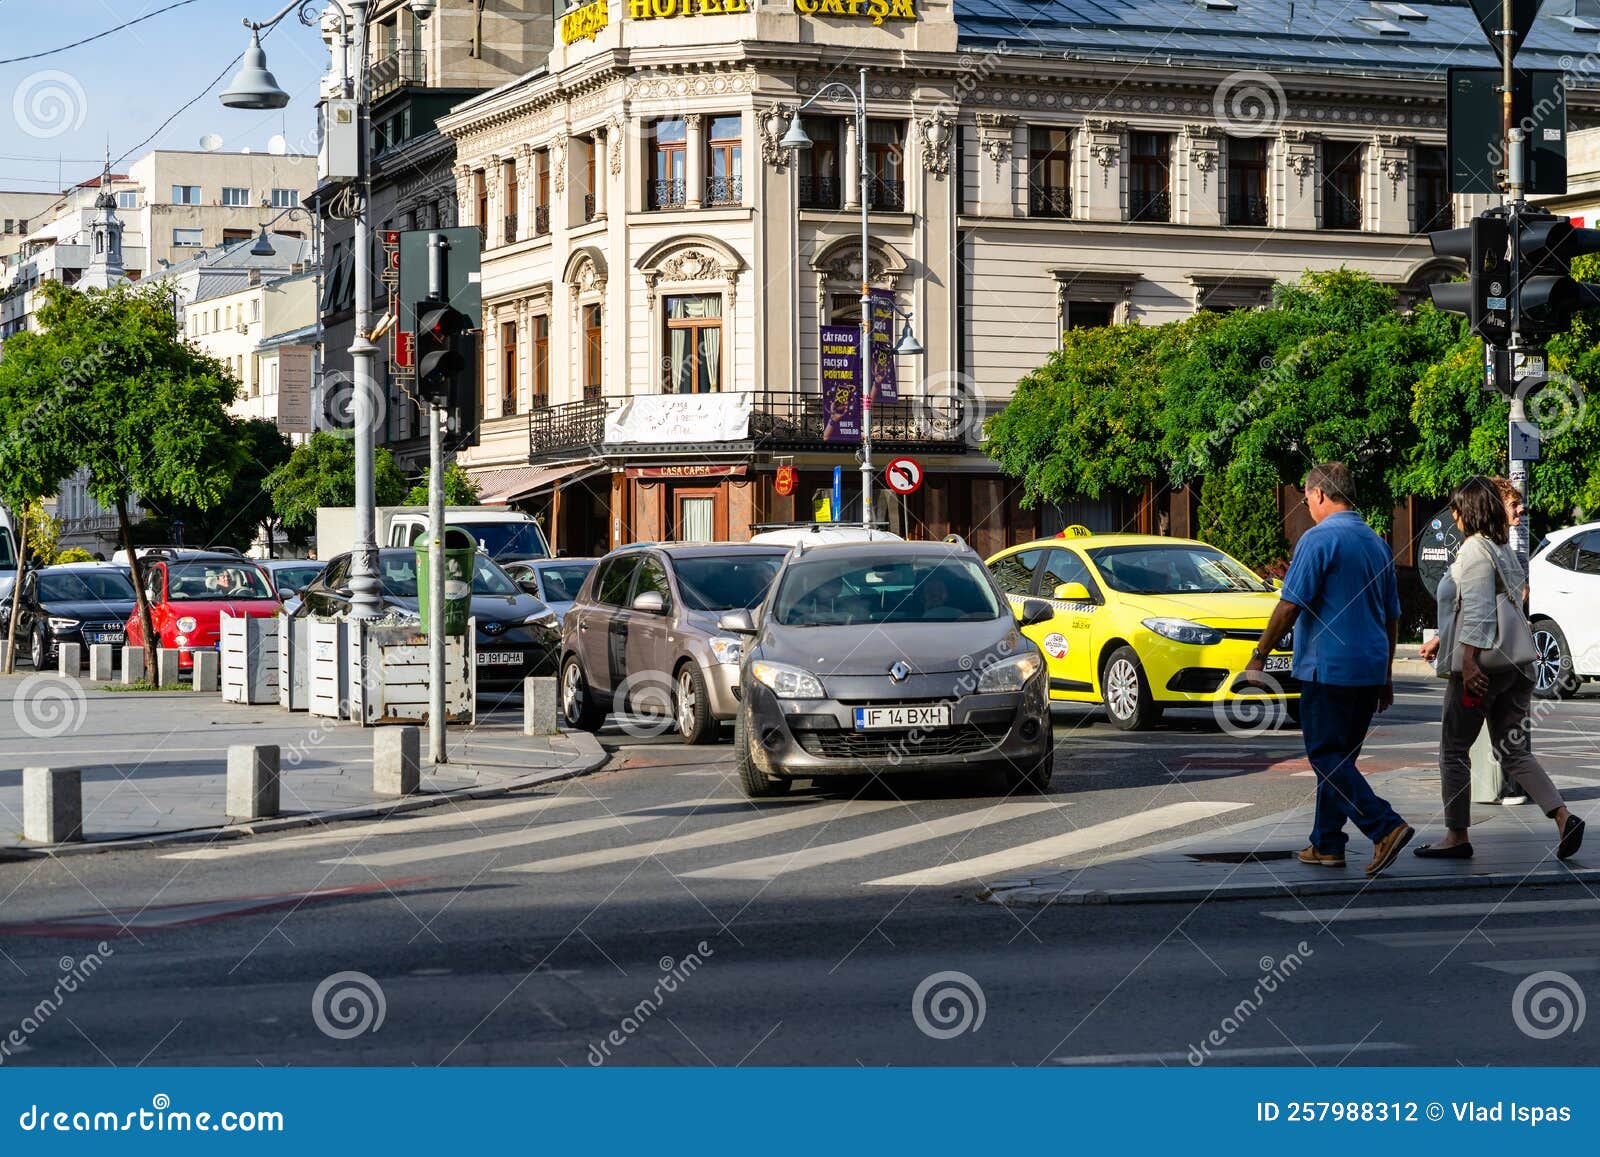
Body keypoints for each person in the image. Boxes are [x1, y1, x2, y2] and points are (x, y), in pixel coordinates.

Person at [1245, 462, 1415, 876]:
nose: (1306, 505)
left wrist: (1260, 655)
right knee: (1341, 760)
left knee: (1325, 755)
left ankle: (1385, 826)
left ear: (1319, 494)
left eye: (1306, 498)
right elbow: (1392, 615)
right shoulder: (1376, 542)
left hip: (1328, 668)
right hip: (1369, 668)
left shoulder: (1317, 539)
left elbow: (1290, 605)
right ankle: (1327, 843)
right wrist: (1386, 675)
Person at [1412, 477, 1584, 861]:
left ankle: (1456, 836)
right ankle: (1563, 816)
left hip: (1482, 668)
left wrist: (1468, 662)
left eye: (1456, 508)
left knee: (1453, 751)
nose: (1453, 515)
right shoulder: (1502, 548)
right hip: (1516, 664)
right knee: (1513, 751)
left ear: (1467, 510)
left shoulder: (1474, 549)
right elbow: (1496, 604)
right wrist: (1441, 638)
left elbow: (1477, 611)